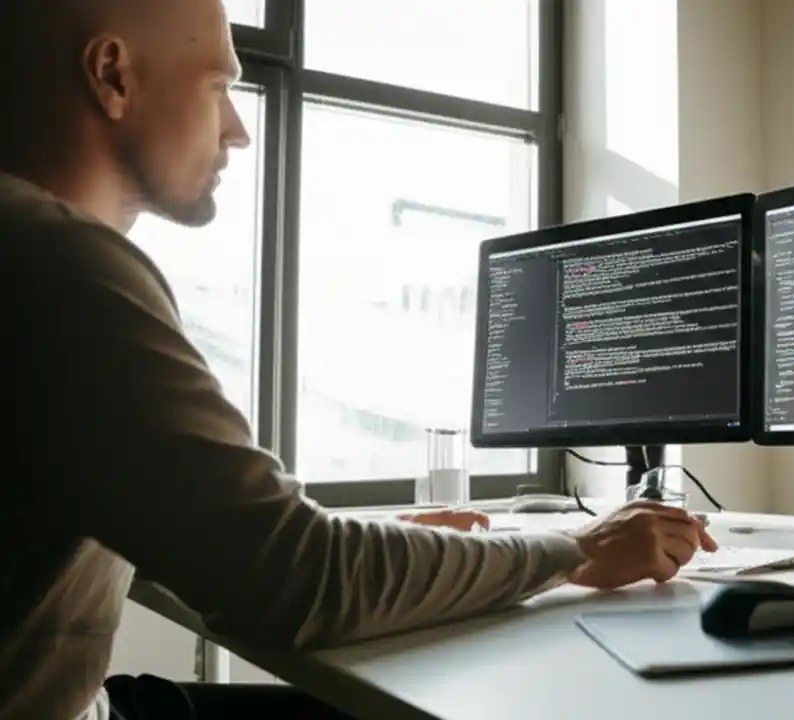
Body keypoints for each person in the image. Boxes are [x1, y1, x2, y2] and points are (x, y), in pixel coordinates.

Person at [0, 1, 717, 719]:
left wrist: (396, 555)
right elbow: (297, 581)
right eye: (219, 86)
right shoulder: (62, 268)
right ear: (112, 75)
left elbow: (194, 542)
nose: (238, 130)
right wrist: (574, 550)